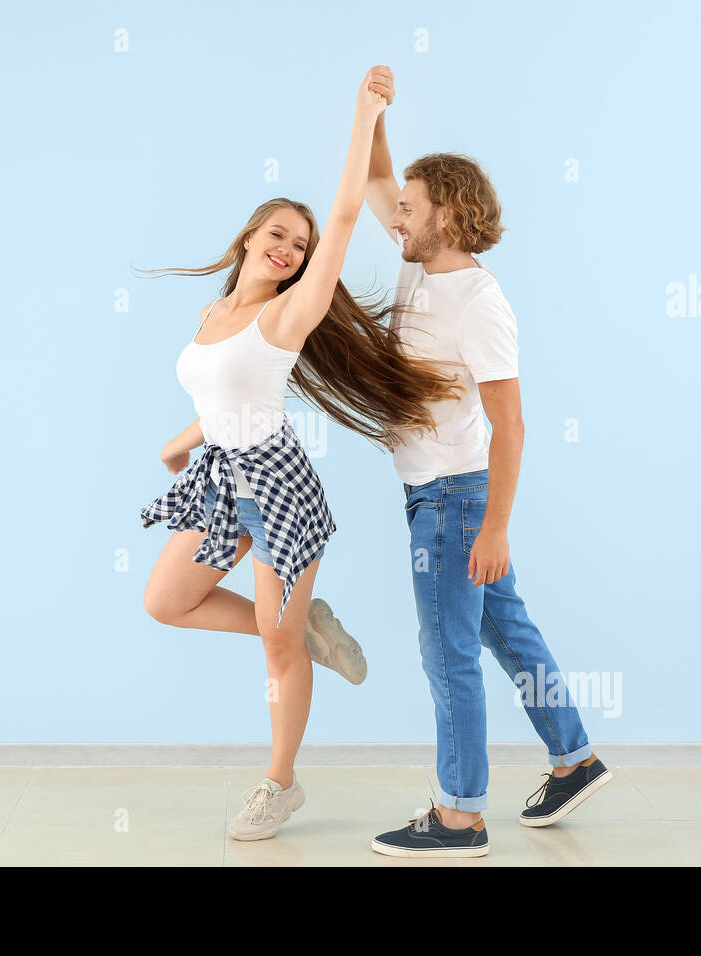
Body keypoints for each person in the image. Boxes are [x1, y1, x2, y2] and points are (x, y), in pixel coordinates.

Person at [139, 67, 464, 842]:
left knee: (279, 657)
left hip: (280, 490)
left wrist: (365, 116)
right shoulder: (214, 311)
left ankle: (279, 785)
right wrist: (178, 443)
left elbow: (348, 211)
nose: (290, 248)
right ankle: (303, 623)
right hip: (224, 479)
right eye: (278, 233)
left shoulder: (292, 314)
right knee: (165, 600)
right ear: (249, 237)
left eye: (302, 243)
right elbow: (224, 399)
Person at [359, 71, 611, 858]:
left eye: (409, 206)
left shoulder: (478, 303)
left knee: (449, 655)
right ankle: (575, 758)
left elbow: (512, 422)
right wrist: (371, 114)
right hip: (441, 493)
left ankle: (460, 816)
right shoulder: (415, 265)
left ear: (449, 212)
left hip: (454, 499)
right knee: (508, 631)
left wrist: (495, 525)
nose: (395, 215)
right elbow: (373, 178)